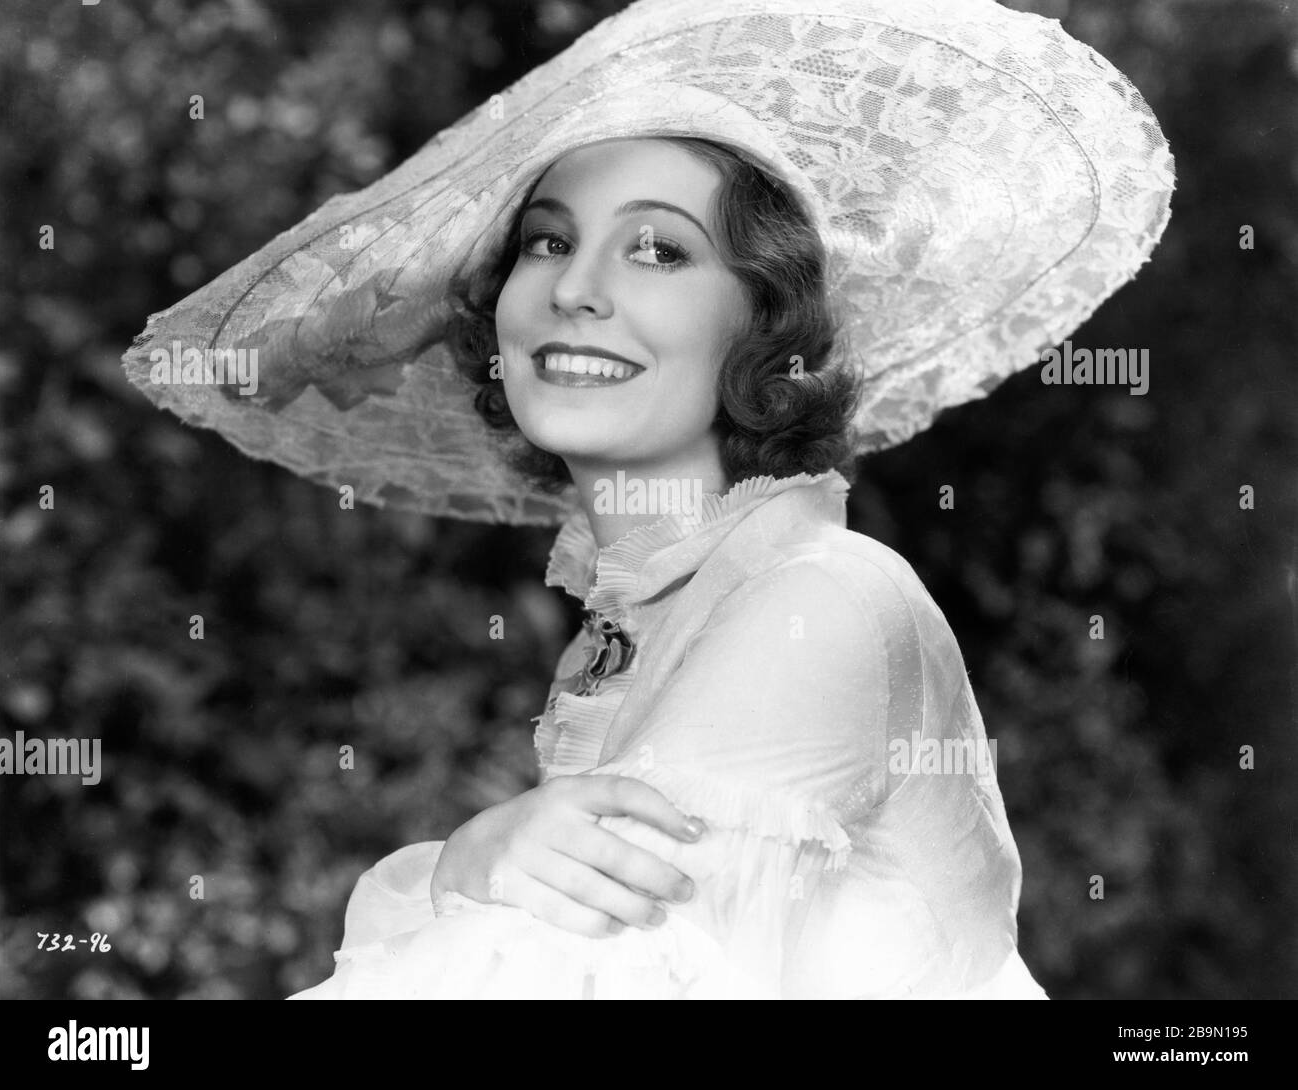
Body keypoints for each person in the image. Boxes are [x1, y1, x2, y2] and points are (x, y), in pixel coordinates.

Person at [121, 0, 1175, 998]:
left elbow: (573, 963)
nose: (575, 287)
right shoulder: (638, 610)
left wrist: (459, 868)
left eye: (659, 248)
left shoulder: (827, 602)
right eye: (545, 239)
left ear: (764, 329)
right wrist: (469, 861)